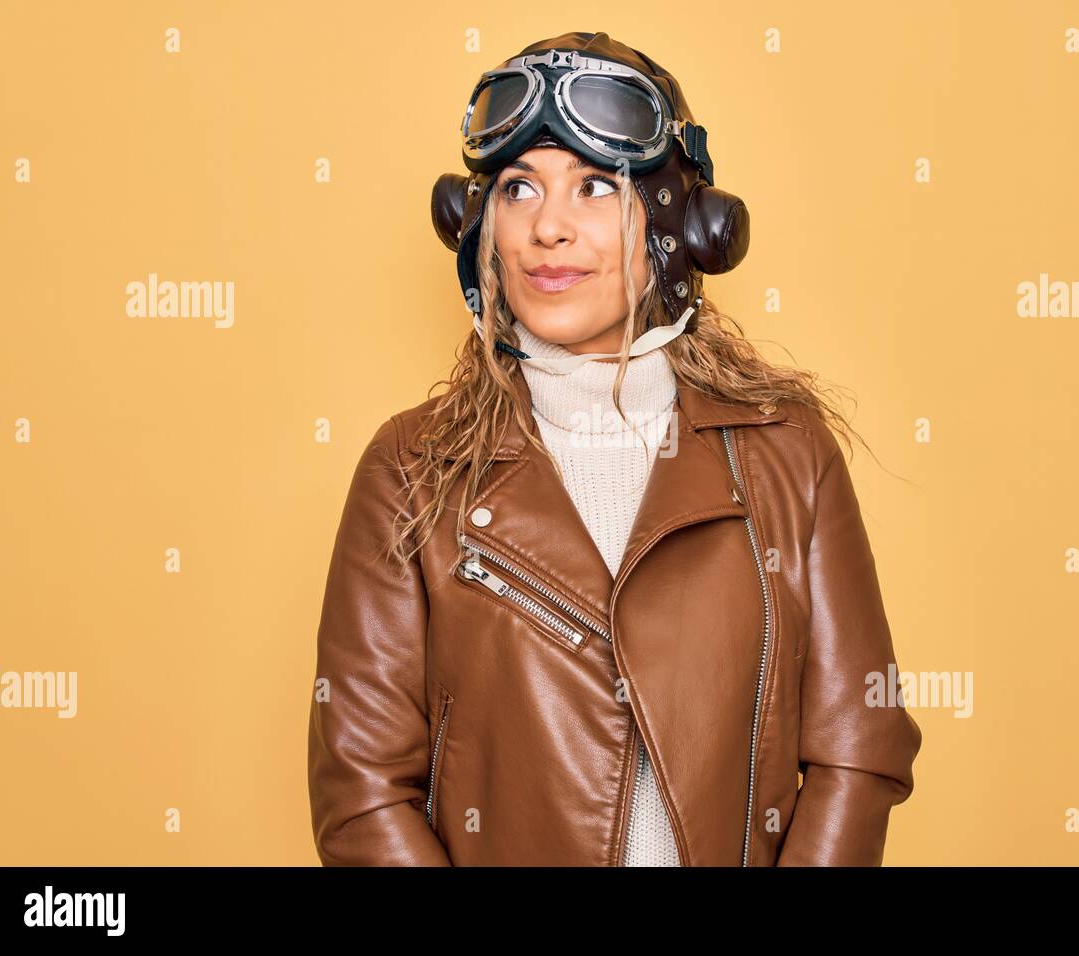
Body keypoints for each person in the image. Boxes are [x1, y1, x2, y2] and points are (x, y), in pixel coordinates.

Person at [307, 30, 922, 866]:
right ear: (477, 225)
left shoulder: (789, 454)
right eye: (519, 190)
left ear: (687, 228)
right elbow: (361, 789)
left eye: (596, 187)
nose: (548, 229)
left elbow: (861, 745)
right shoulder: (409, 469)